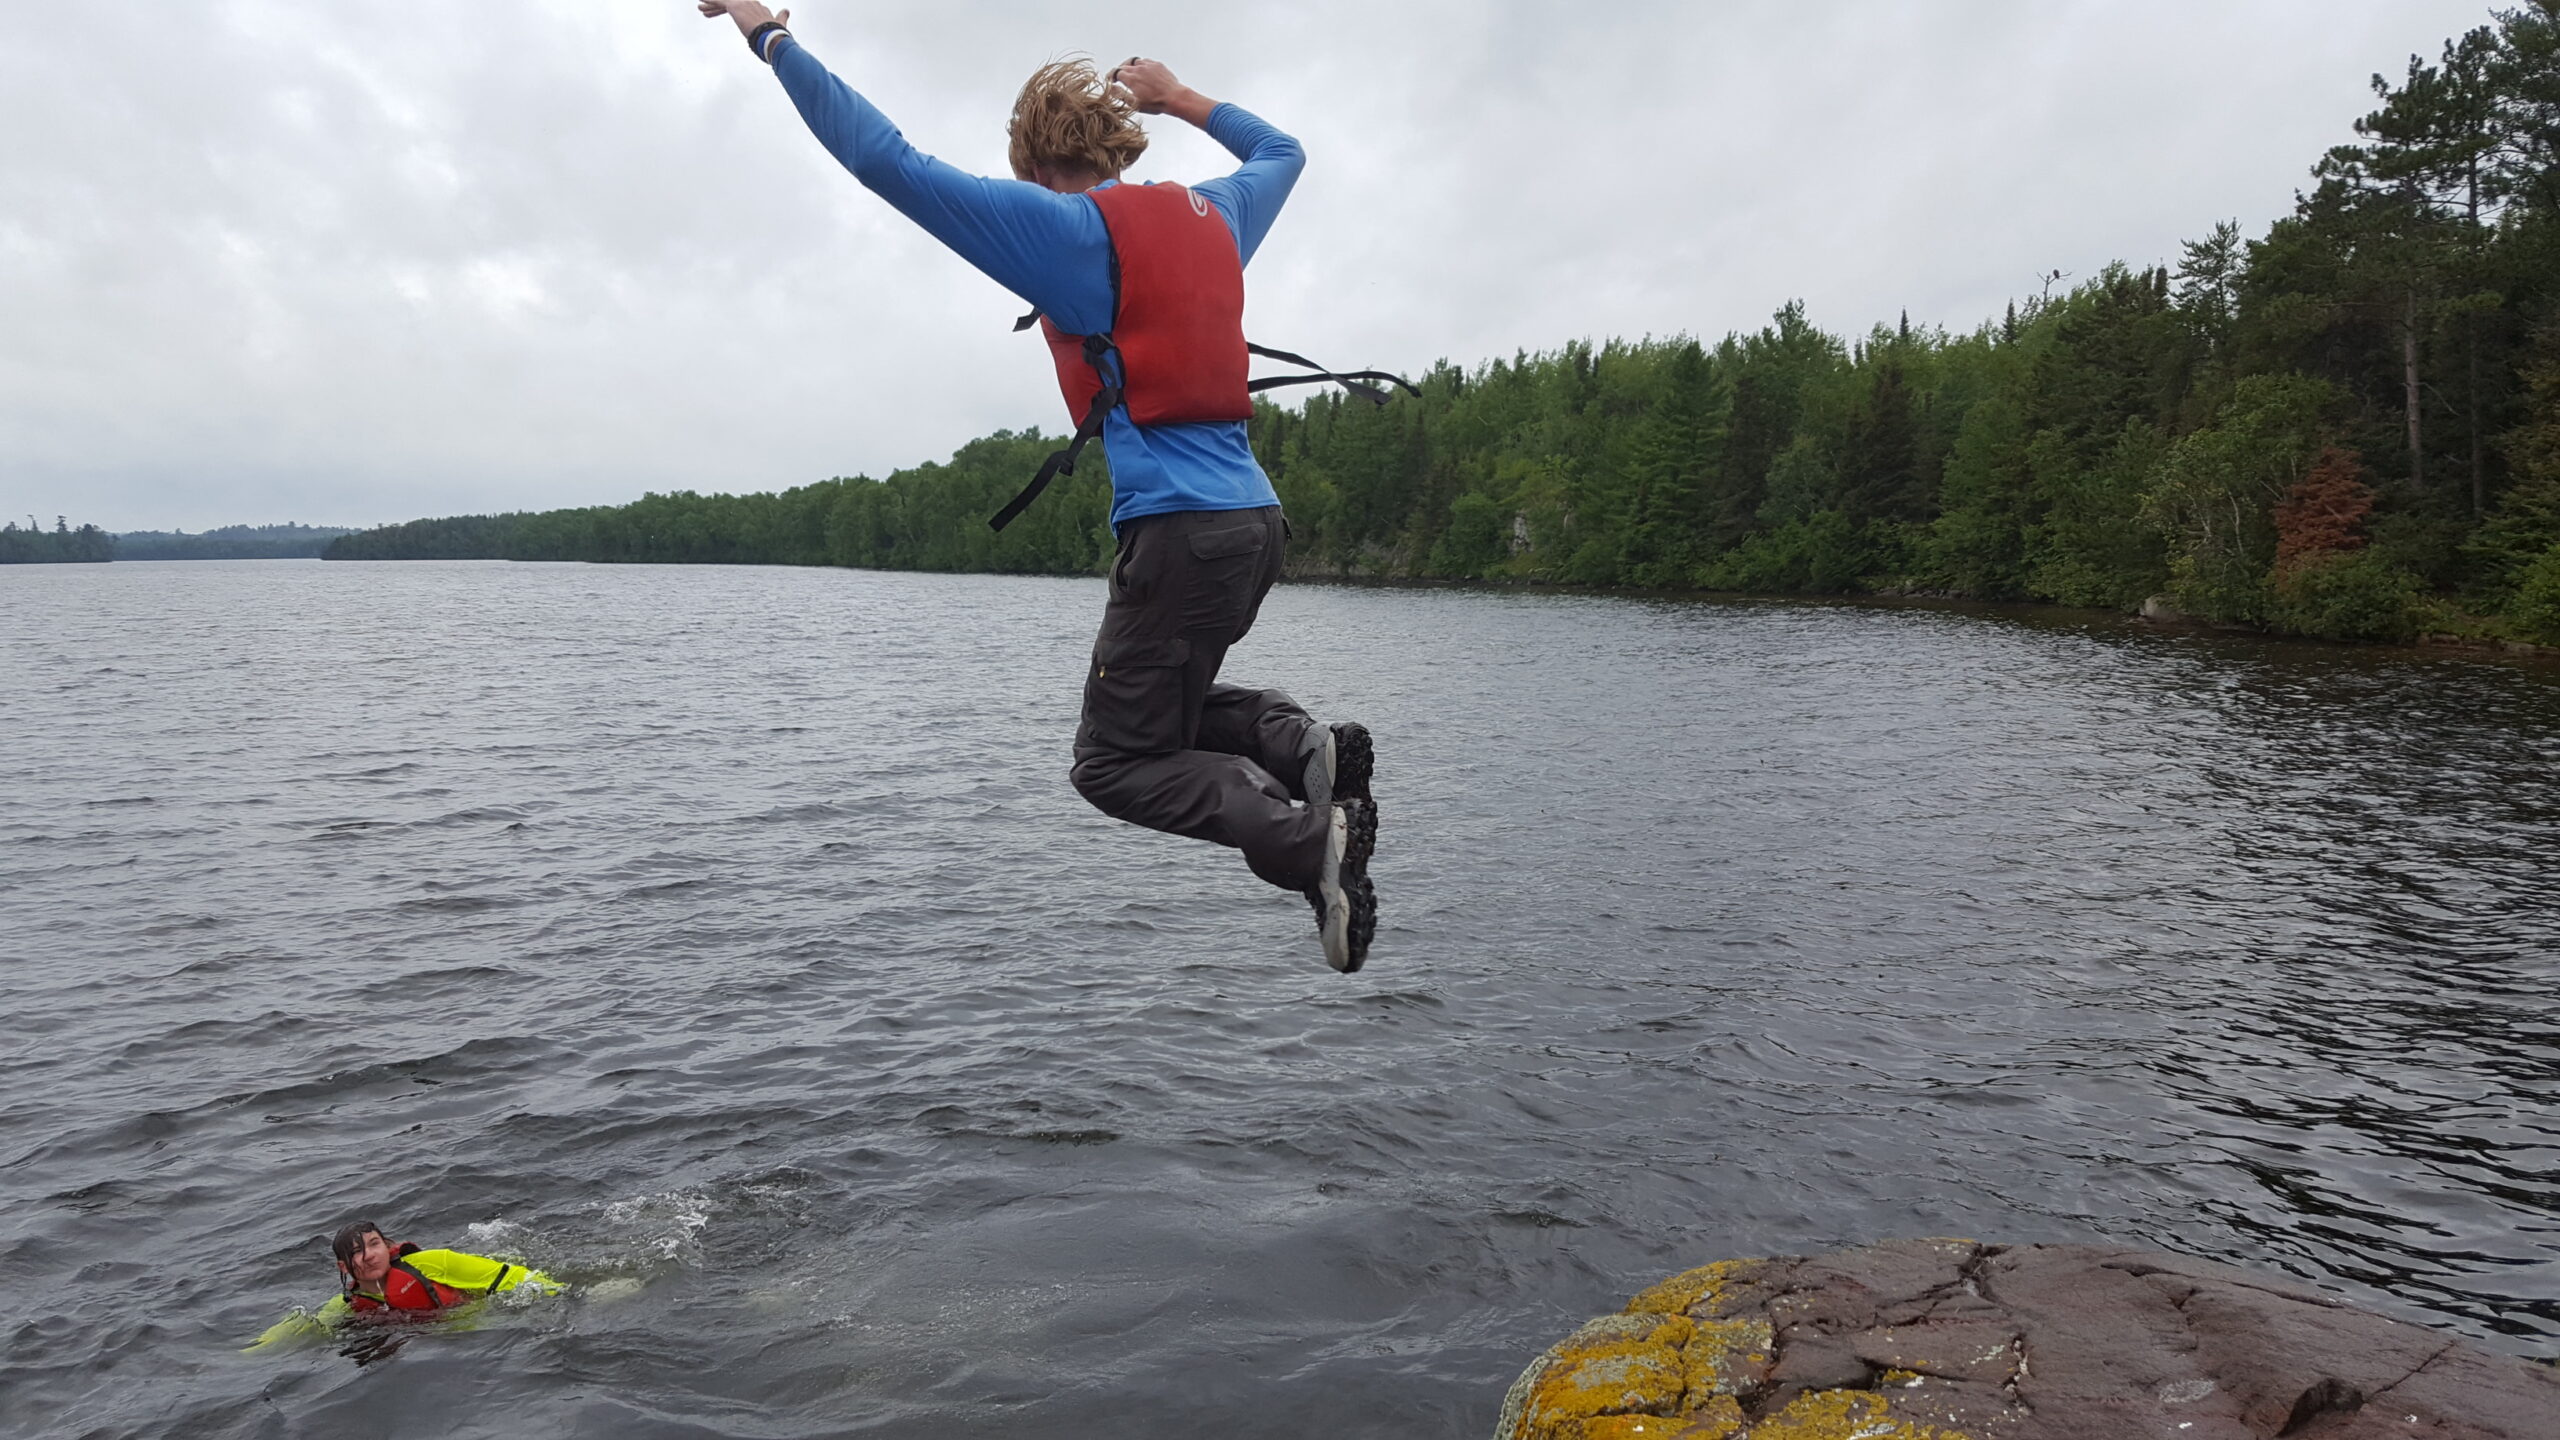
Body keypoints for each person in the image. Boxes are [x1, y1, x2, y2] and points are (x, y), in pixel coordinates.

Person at [697, 4, 1383, 970]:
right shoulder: (1217, 215)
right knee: (1164, 718)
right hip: (1256, 526)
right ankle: (1296, 741)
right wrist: (1179, 97)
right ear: (1114, 145)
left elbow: (884, 159)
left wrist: (765, 32)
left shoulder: (1063, 232)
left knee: (1114, 764)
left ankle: (1307, 839)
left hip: (1180, 536)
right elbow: (1285, 150)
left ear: (1032, 166)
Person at [241, 1220, 560, 1351]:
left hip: (491, 1328)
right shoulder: (350, 1302)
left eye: (374, 1244)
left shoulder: (432, 1263)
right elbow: (309, 1324)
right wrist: (251, 1352)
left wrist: (556, 1295)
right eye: (355, 1253)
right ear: (343, 1267)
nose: (368, 1256)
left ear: (386, 1244)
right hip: (442, 1347)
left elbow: (514, 1277)